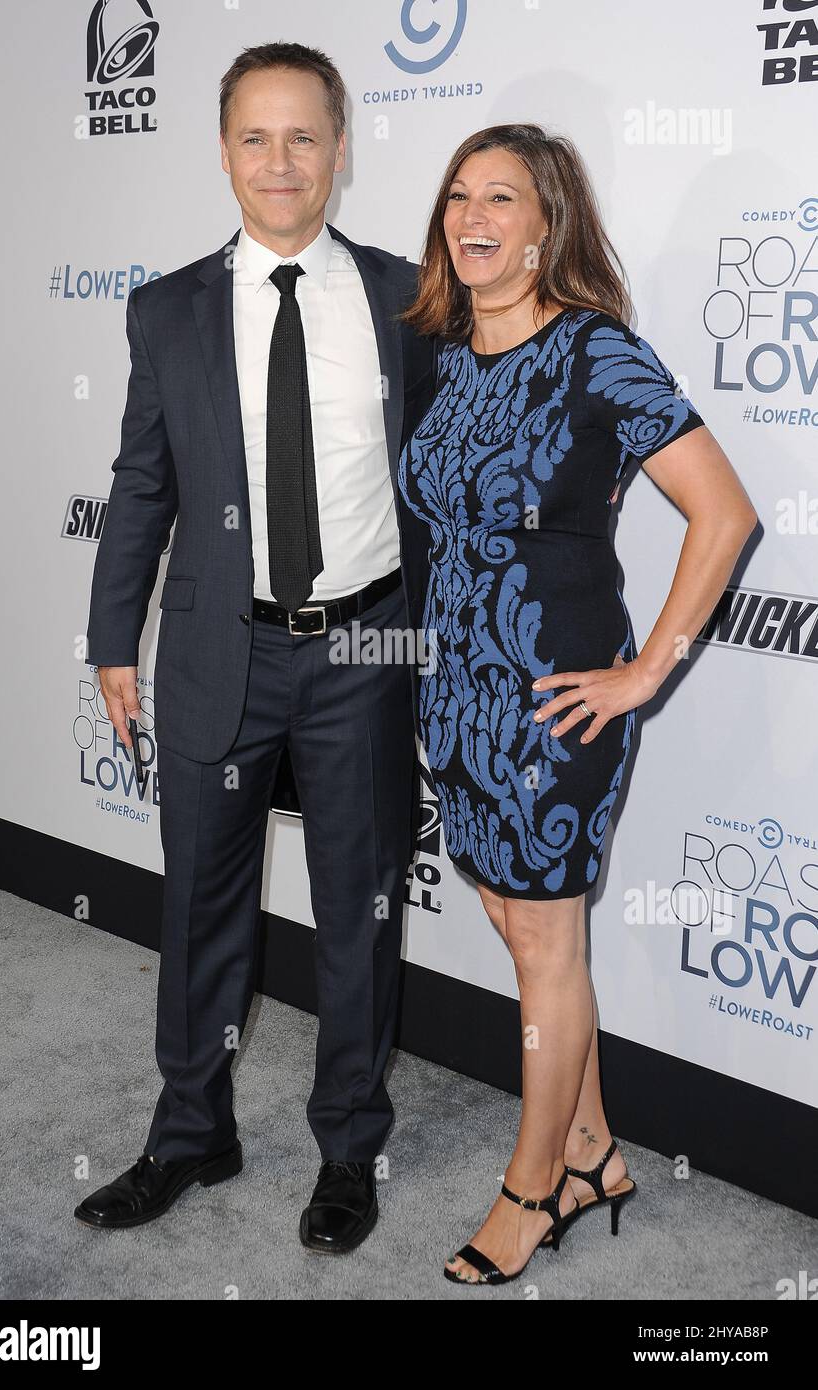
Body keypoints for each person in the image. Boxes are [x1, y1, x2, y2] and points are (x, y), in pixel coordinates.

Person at [79, 42, 435, 1255]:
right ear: (222, 149)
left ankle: (348, 1145)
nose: (278, 162)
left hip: (364, 651)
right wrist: (109, 635)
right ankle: (191, 1132)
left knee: (356, 912)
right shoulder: (165, 307)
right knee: (201, 911)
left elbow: (445, 481)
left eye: (302, 137)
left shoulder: (407, 298)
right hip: (214, 654)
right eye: (253, 137)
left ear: (340, 149)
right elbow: (142, 485)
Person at [397, 123, 757, 1285]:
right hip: (454, 692)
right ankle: (595, 1146)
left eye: (500, 197)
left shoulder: (598, 354)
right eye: (458, 196)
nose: (472, 216)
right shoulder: (447, 357)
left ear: (547, 223)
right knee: (515, 926)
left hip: (556, 699)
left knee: (545, 941)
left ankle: (531, 1187)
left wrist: (648, 667)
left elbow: (724, 513)